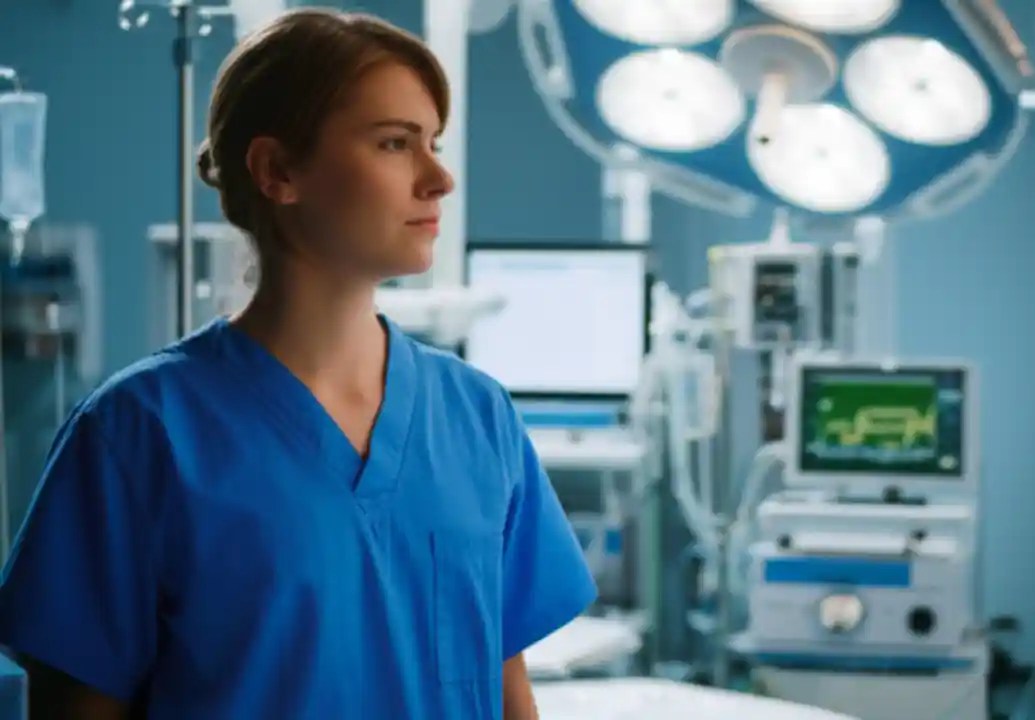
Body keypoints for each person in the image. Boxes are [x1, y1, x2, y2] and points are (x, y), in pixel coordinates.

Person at [0, 8, 596, 719]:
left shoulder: (476, 416)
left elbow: (506, 694)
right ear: (279, 171)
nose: (439, 178)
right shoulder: (139, 434)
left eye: (433, 143)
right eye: (395, 144)